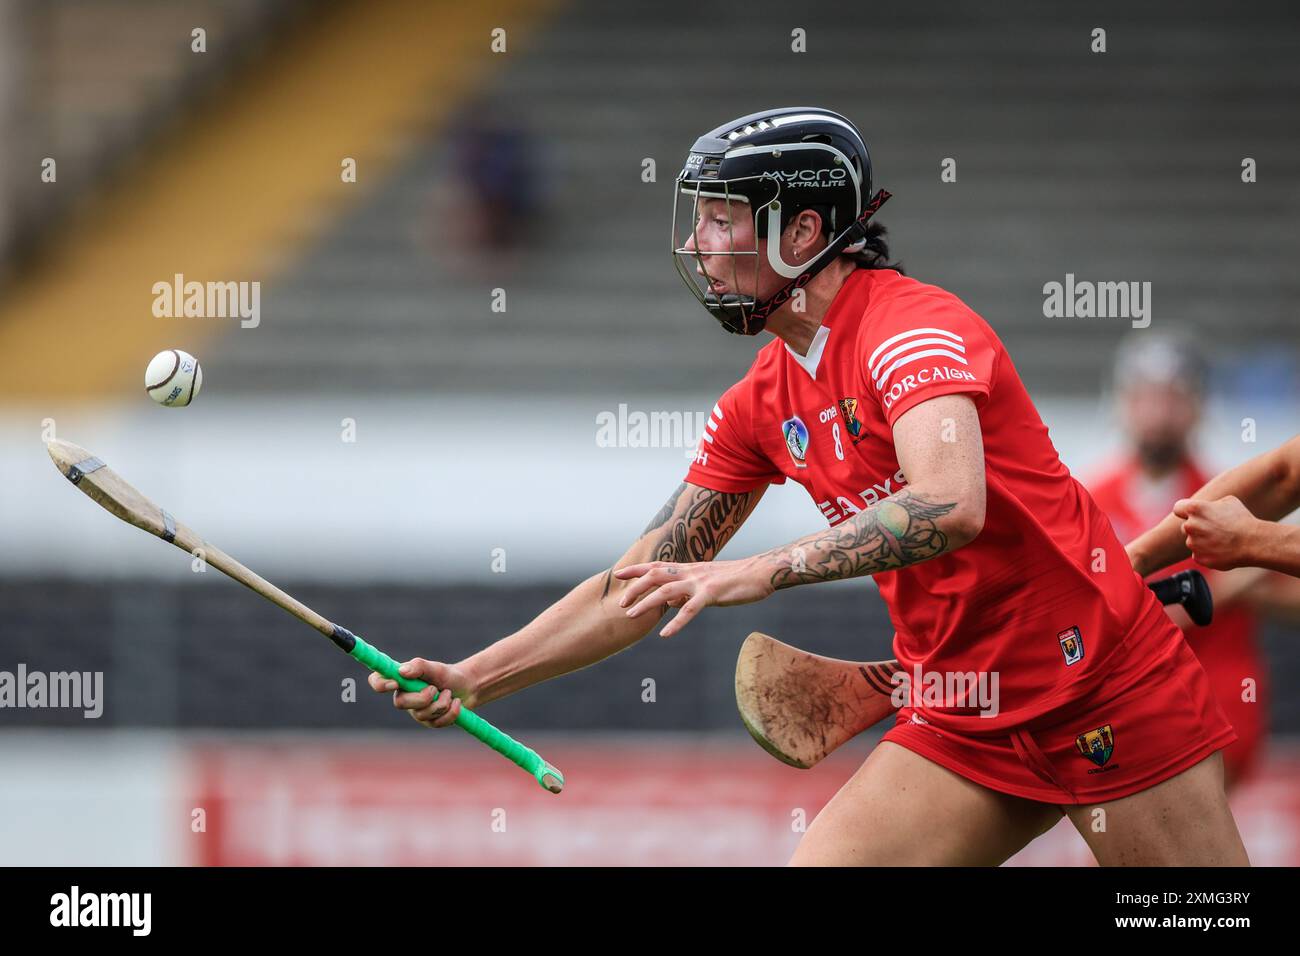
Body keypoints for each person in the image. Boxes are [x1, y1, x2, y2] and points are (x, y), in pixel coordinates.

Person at [374, 107, 1248, 866]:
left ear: (802, 233)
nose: (701, 245)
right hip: (960, 714)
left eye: (725, 221)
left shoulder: (913, 330)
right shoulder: (763, 397)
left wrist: (763, 569)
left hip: (1104, 688)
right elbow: (638, 584)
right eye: (702, 219)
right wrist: (478, 677)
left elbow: (951, 502)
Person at [1087, 337, 1300, 788]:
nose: (1160, 413)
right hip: (1122, 703)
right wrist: (1231, 585)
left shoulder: (1232, 497)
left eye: (1174, 397)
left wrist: (1258, 562)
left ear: (1198, 405)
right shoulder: (1090, 501)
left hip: (1217, 699)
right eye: (1146, 397)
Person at [1128, 434, 1300, 578]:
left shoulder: (1204, 475)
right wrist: (1134, 559)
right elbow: (1283, 476)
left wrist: (1252, 539)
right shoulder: (1105, 485)